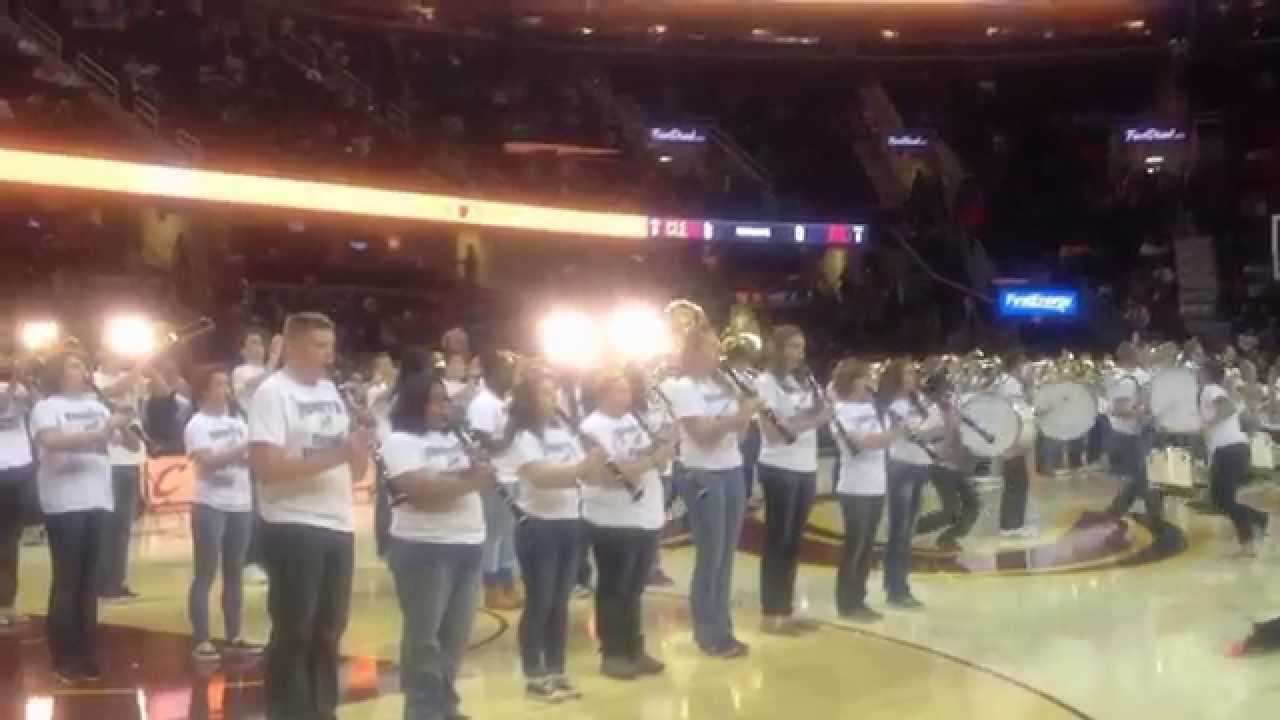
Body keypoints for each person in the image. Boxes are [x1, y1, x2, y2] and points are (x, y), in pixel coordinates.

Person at [248, 312, 374, 719]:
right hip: (292, 523)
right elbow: (267, 466)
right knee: (294, 630)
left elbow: (350, 472)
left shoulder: (332, 391)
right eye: (320, 346)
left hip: (337, 522)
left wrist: (359, 451)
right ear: (296, 346)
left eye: (331, 346)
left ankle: (322, 711)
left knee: (329, 630)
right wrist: (337, 453)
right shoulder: (273, 393)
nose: (329, 355)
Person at [382, 372, 494, 720]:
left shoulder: (458, 439)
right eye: (436, 400)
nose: (444, 407)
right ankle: (421, 710)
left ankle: (445, 705)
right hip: (424, 546)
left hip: (468, 541)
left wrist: (477, 471)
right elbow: (417, 489)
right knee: (424, 637)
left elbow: (464, 481)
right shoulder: (401, 440)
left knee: (455, 637)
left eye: (446, 400)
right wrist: (470, 481)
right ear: (416, 403)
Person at [31, 352, 135, 682]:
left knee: (89, 581)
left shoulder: (97, 405)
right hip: (64, 502)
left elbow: (129, 444)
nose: (81, 370)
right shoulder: (47, 408)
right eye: (73, 365)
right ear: (59, 373)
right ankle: (64, 655)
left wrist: (124, 425)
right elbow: (51, 441)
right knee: (67, 579)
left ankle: (87, 651)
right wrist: (99, 432)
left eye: (81, 364)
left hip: (98, 499)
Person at [509, 374, 604, 702]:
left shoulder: (565, 431)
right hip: (538, 524)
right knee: (540, 601)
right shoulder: (522, 435)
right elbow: (539, 476)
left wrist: (595, 465)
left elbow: (584, 470)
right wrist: (581, 469)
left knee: (560, 603)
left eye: (554, 392)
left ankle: (557, 668)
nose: (554, 399)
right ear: (529, 399)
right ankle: (534, 674)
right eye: (545, 393)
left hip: (570, 521)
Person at [670, 327, 757, 657]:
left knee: (727, 555)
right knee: (711, 553)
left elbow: (741, 434)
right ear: (692, 351)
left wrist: (744, 414)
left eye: (717, 348)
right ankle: (707, 632)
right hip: (701, 473)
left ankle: (724, 628)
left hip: (731, 468)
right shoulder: (684, 387)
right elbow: (703, 434)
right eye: (709, 348)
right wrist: (739, 416)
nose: (716, 355)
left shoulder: (723, 384)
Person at [580, 371, 671, 679]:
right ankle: (613, 652)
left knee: (634, 587)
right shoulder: (591, 428)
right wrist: (652, 459)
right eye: (619, 391)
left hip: (645, 513)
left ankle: (634, 646)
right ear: (602, 394)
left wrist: (661, 445)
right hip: (612, 518)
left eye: (627, 391)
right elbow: (609, 476)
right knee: (613, 587)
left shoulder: (633, 419)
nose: (627, 397)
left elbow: (641, 453)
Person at [753, 326, 831, 635]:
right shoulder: (766, 383)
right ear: (777, 349)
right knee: (778, 541)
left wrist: (816, 414)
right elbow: (775, 432)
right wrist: (814, 419)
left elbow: (802, 420)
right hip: (779, 466)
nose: (799, 353)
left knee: (794, 543)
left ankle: (786, 608)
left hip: (804, 467)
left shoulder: (804, 381)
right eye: (793, 347)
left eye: (801, 347)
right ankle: (771, 613)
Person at [185, 366, 260, 663]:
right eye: (219, 384)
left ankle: (234, 635)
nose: (226, 389)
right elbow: (206, 462)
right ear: (204, 391)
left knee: (235, 570)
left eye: (227, 384)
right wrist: (241, 450)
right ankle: (202, 637)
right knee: (205, 571)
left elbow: (252, 458)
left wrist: (251, 454)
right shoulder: (197, 424)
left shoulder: (239, 422)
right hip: (210, 503)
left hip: (241, 502)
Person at [831, 359, 900, 621]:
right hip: (855, 487)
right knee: (855, 546)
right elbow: (861, 443)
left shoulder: (872, 408)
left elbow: (881, 440)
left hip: (876, 484)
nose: (869, 382)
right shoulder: (841, 410)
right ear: (851, 381)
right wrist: (896, 434)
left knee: (868, 546)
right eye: (864, 377)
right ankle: (847, 603)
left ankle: (858, 598)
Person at [877, 359, 944, 610]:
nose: (912, 377)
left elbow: (932, 429)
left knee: (908, 531)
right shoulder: (891, 405)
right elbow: (903, 434)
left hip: (919, 466)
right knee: (900, 532)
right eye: (906, 373)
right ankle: (896, 589)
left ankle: (899, 585)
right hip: (901, 467)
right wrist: (923, 427)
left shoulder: (919, 401)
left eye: (913, 373)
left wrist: (931, 424)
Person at [466, 351, 523, 611]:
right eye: (506, 369)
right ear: (491, 373)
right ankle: (490, 587)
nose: (511, 375)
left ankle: (506, 580)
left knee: (508, 534)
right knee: (493, 534)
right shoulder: (483, 404)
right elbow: (481, 443)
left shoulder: (505, 401)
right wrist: (510, 434)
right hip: (495, 477)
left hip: (513, 473)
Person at [1200, 361, 1270, 557]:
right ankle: (1254, 527)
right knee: (1221, 498)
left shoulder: (1210, 389)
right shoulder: (1216, 391)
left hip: (1229, 450)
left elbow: (1228, 408)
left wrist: (1208, 425)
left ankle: (1254, 528)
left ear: (1205, 373)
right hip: (1233, 449)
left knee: (1222, 499)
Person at [93, 352, 147, 602]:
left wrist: (151, 366)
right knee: (108, 525)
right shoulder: (94, 379)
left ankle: (117, 581)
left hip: (130, 457)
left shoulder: (132, 378)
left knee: (124, 527)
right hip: (108, 460)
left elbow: (161, 389)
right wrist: (147, 358)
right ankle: (102, 582)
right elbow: (112, 390)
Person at [1099, 342, 1162, 526]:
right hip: (1128, 435)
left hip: (1134, 433)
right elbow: (1120, 410)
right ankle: (1147, 513)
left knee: (1142, 475)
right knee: (1143, 475)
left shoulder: (1138, 377)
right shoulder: (1126, 380)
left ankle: (1120, 509)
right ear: (1131, 356)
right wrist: (1143, 415)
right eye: (1139, 351)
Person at [915, 373, 979, 551]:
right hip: (941, 467)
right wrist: (938, 438)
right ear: (933, 394)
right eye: (944, 390)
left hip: (956, 466)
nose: (948, 393)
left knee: (972, 505)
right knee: (950, 511)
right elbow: (920, 436)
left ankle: (948, 538)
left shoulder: (953, 407)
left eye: (948, 390)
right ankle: (911, 529)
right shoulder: (934, 413)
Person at [0, 372, 37, 631]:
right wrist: (13, 385)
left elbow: (34, 407)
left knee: (11, 542)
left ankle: (7, 603)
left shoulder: (20, 387)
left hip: (19, 470)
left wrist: (24, 384)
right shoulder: (11, 388)